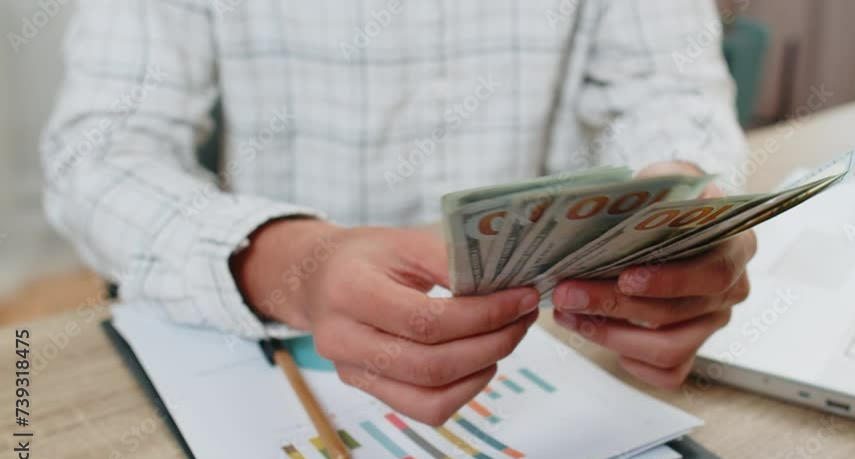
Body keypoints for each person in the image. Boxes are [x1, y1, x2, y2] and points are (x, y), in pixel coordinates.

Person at [42, 0, 755, 425]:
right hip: (267, 355)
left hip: (553, 353)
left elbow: (672, 93)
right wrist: (290, 264)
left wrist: (683, 206)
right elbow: (97, 156)